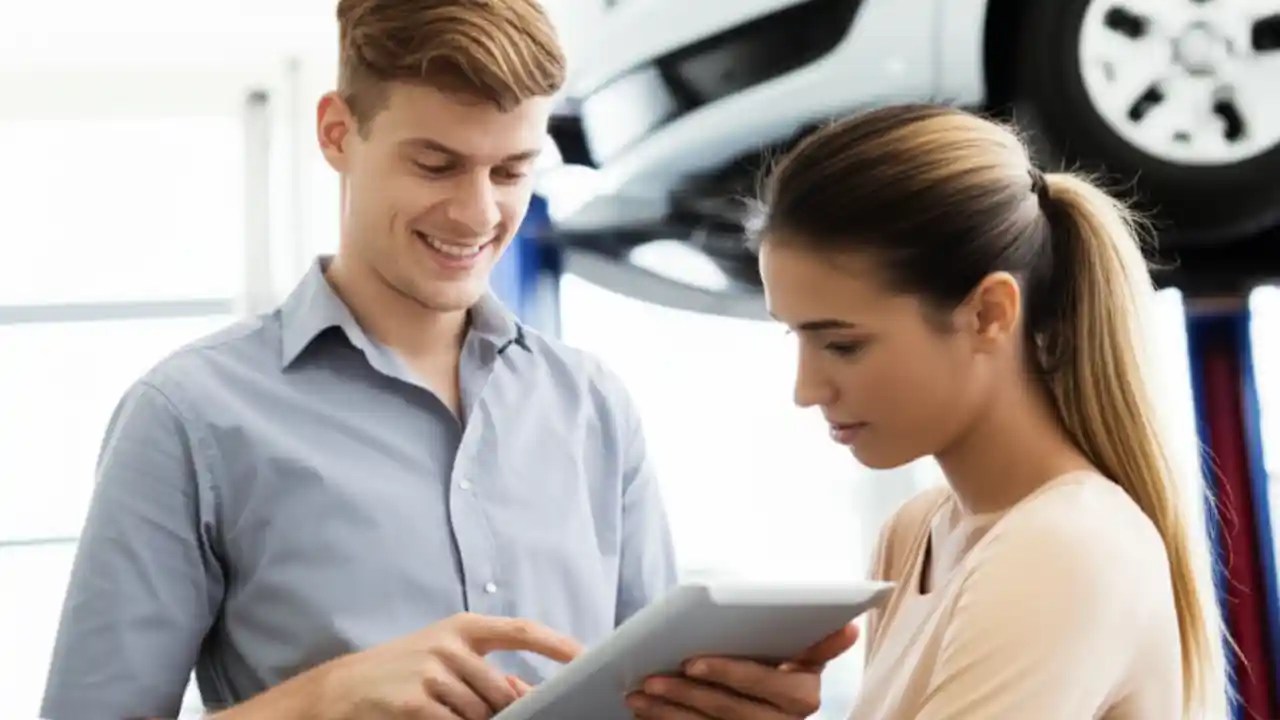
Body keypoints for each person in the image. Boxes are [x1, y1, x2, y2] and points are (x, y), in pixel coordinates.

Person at [39, 1, 853, 718]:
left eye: (512, 170)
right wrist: (321, 701)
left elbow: (647, 696)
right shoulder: (188, 416)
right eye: (436, 165)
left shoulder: (592, 404)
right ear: (337, 133)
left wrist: (726, 704)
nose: (476, 212)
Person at [751, 104, 1230, 720]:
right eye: (794, 335)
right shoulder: (915, 535)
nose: (806, 389)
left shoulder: (1062, 545)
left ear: (988, 314)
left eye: (842, 345)